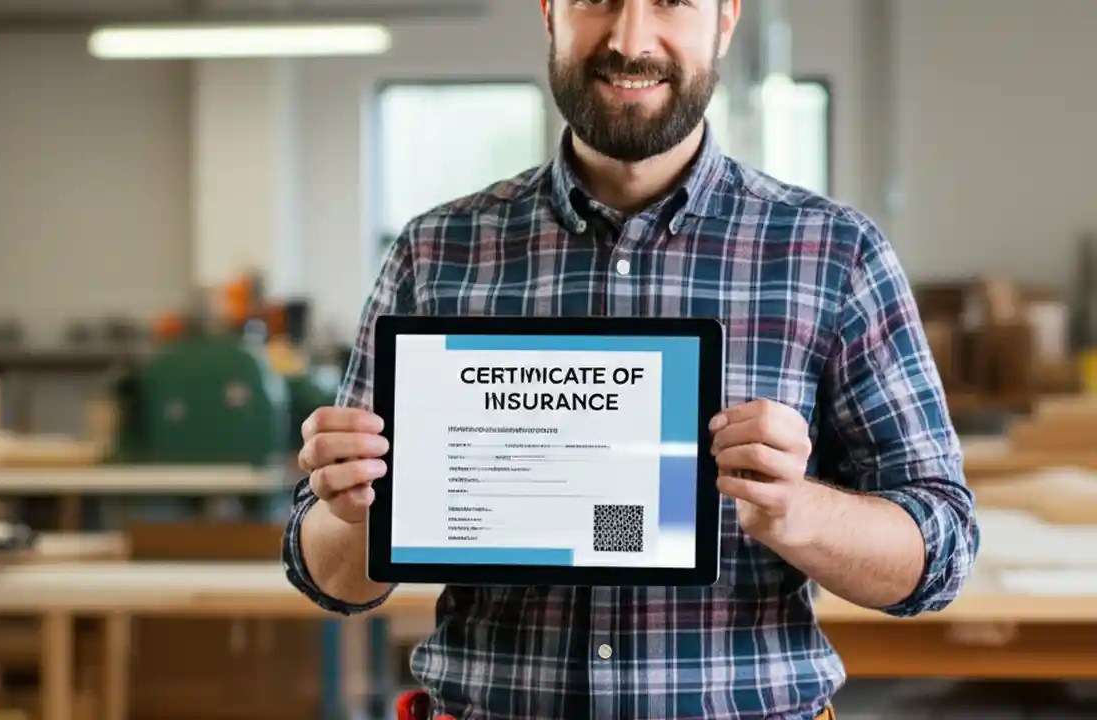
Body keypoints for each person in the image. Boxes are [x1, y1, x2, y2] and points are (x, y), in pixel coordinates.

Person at [283, 0, 980, 717]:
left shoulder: (833, 254)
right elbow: (331, 577)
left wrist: (794, 510)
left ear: (726, 18)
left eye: (671, 2)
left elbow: (941, 550)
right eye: (597, 0)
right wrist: (357, 511)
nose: (629, 39)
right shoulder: (436, 252)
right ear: (550, 11)